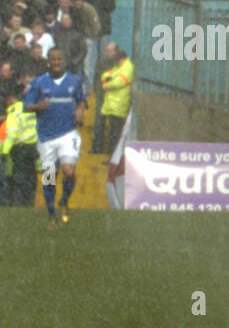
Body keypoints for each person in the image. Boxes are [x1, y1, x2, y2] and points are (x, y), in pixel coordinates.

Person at [23, 47, 87, 226]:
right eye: (53, 59)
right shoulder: (39, 82)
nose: (56, 62)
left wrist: (80, 110)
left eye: (59, 59)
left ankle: (64, 200)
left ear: (64, 61)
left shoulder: (74, 80)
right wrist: (38, 106)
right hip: (46, 137)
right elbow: (27, 105)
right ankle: (51, 212)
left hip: (68, 133)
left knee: (69, 171)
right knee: (50, 177)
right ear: (48, 62)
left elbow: (82, 99)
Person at [2, 85, 39, 206]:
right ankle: (30, 203)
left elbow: (11, 135)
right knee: (31, 178)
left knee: (19, 179)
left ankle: (19, 206)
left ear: (13, 99)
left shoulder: (14, 113)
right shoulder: (31, 109)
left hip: (20, 151)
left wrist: (5, 152)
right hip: (33, 148)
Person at [95, 41, 134, 154]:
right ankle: (110, 155)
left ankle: (113, 156)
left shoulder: (128, 68)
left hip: (119, 105)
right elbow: (106, 74)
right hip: (113, 106)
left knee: (116, 134)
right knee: (113, 133)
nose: (115, 63)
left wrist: (106, 85)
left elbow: (118, 82)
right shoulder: (120, 67)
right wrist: (107, 79)